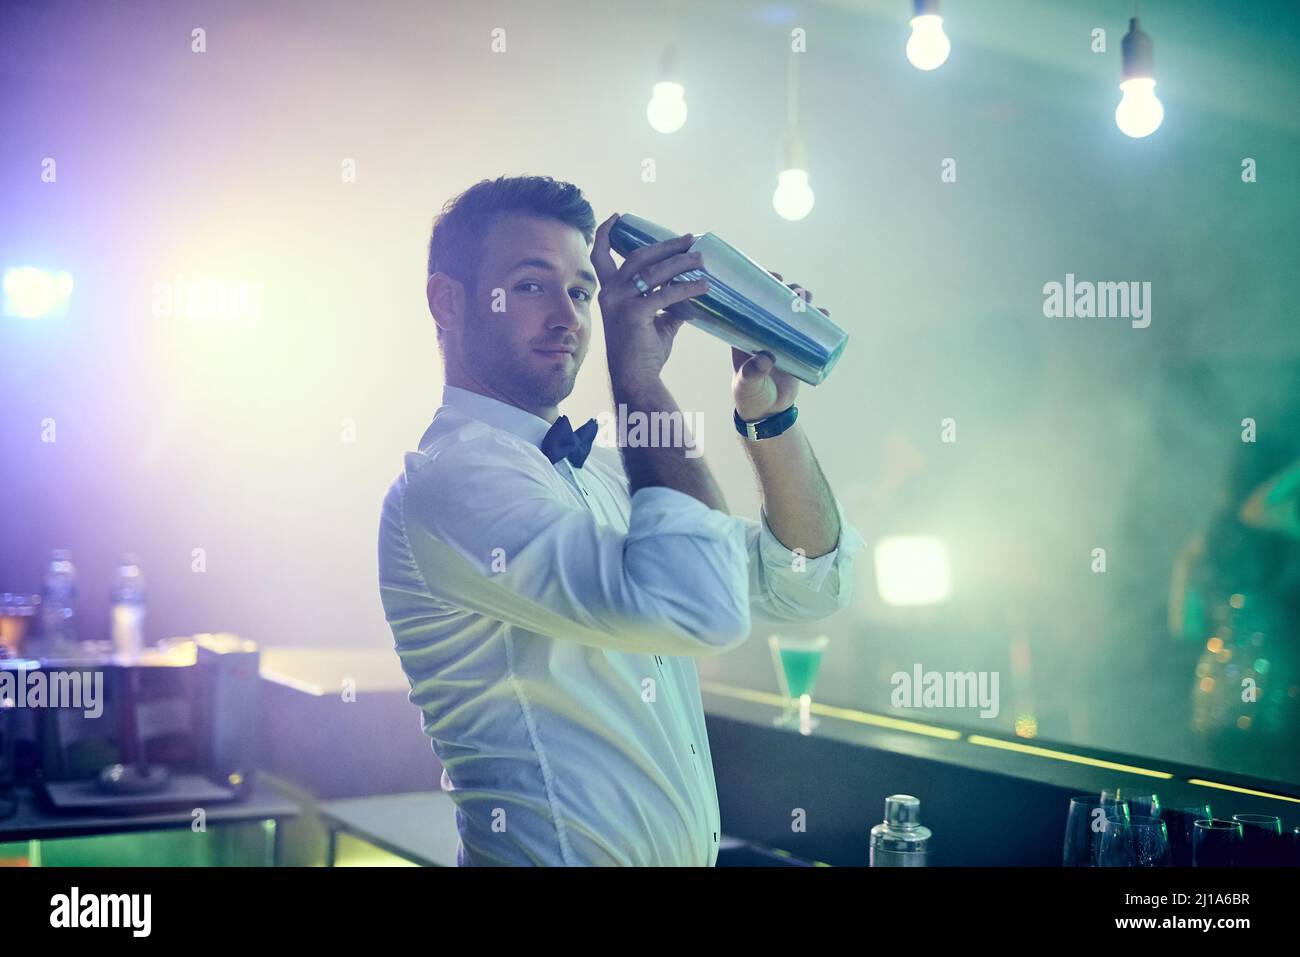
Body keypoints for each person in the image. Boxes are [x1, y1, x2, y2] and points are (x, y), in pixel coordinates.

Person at [377, 175, 865, 865]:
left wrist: (771, 414)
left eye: (581, 290)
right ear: (447, 300)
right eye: (529, 285)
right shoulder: (452, 483)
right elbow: (703, 608)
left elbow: (805, 583)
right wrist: (638, 380)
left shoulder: (607, 468)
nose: (569, 317)